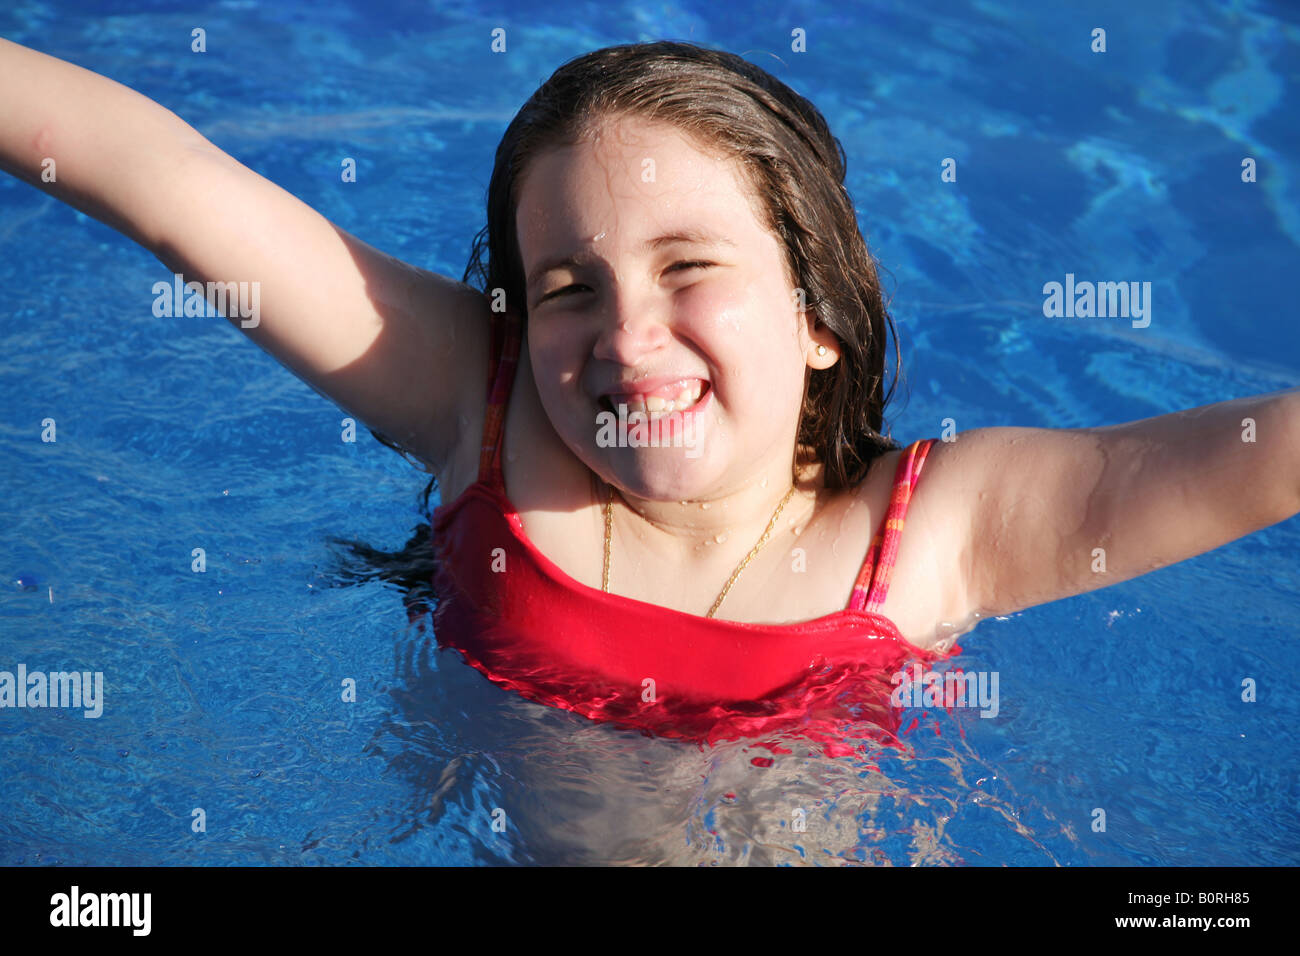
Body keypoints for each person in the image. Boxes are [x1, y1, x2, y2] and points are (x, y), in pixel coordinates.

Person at [3, 38, 1296, 747]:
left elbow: (1270, 450)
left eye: (691, 269)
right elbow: (167, 185)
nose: (628, 335)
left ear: (820, 313)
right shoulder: (481, 409)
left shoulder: (936, 530)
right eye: (567, 284)